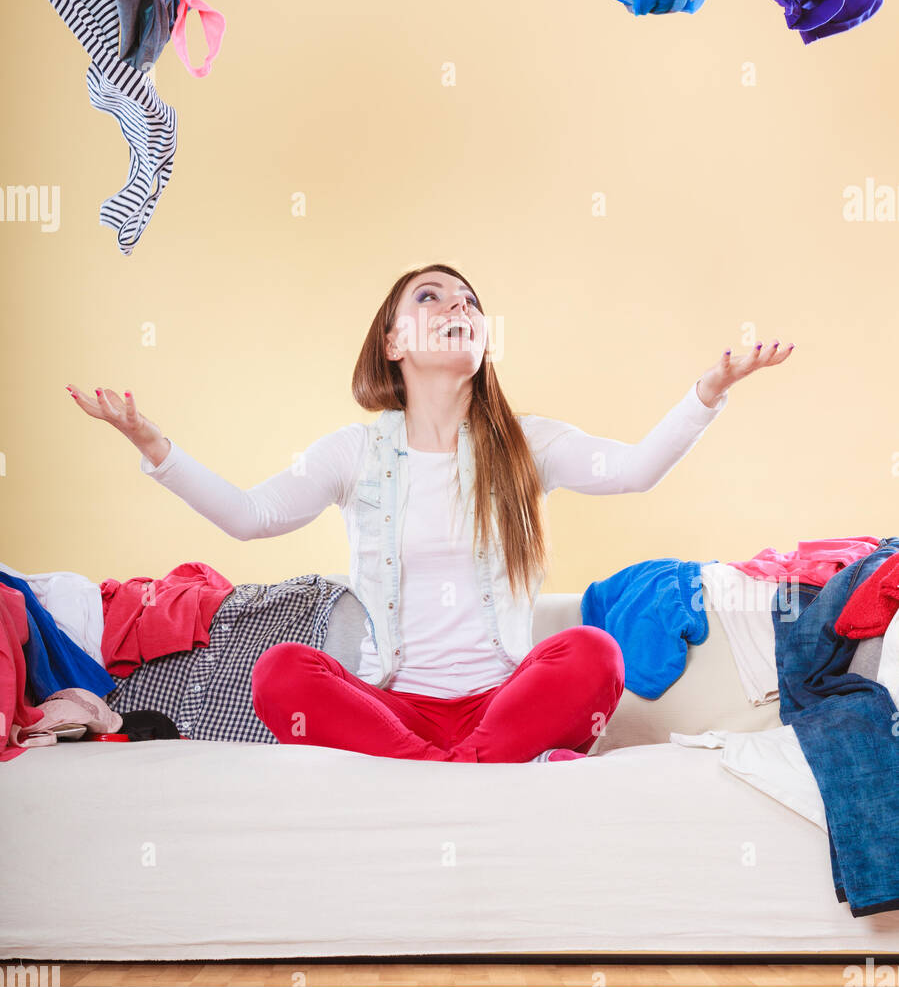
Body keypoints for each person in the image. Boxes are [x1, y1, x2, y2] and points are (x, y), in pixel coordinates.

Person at [66, 263, 794, 763]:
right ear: (391, 343)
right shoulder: (354, 452)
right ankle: (463, 770)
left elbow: (633, 471)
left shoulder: (524, 444)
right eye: (432, 299)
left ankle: (436, 772)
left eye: (470, 303)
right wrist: (152, 444)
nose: (458, 309)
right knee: (282, 669)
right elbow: (250, 516)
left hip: (502, 700)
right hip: (395, 709)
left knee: (595, 654)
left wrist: (707, 392)